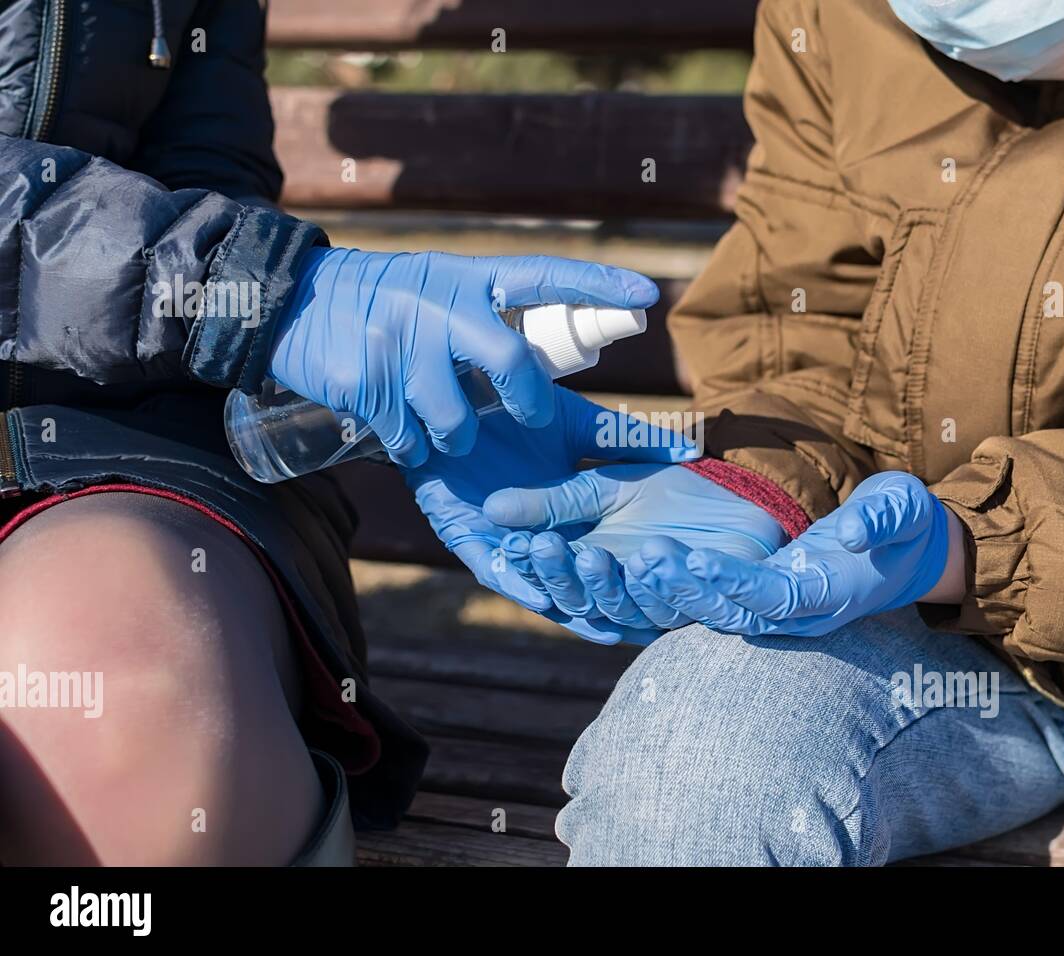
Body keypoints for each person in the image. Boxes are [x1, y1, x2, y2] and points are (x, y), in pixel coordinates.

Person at [453, 0, 1064, 864]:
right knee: (684, 775)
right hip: (909, 624)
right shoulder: (830, 15)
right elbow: (800, 332)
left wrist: (978, 546)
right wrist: (753, 486)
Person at [0, 0, 675, 865]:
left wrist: (375, 410)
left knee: (114, 697)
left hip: (127, 443)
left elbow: (204, 174)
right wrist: (258, 290)